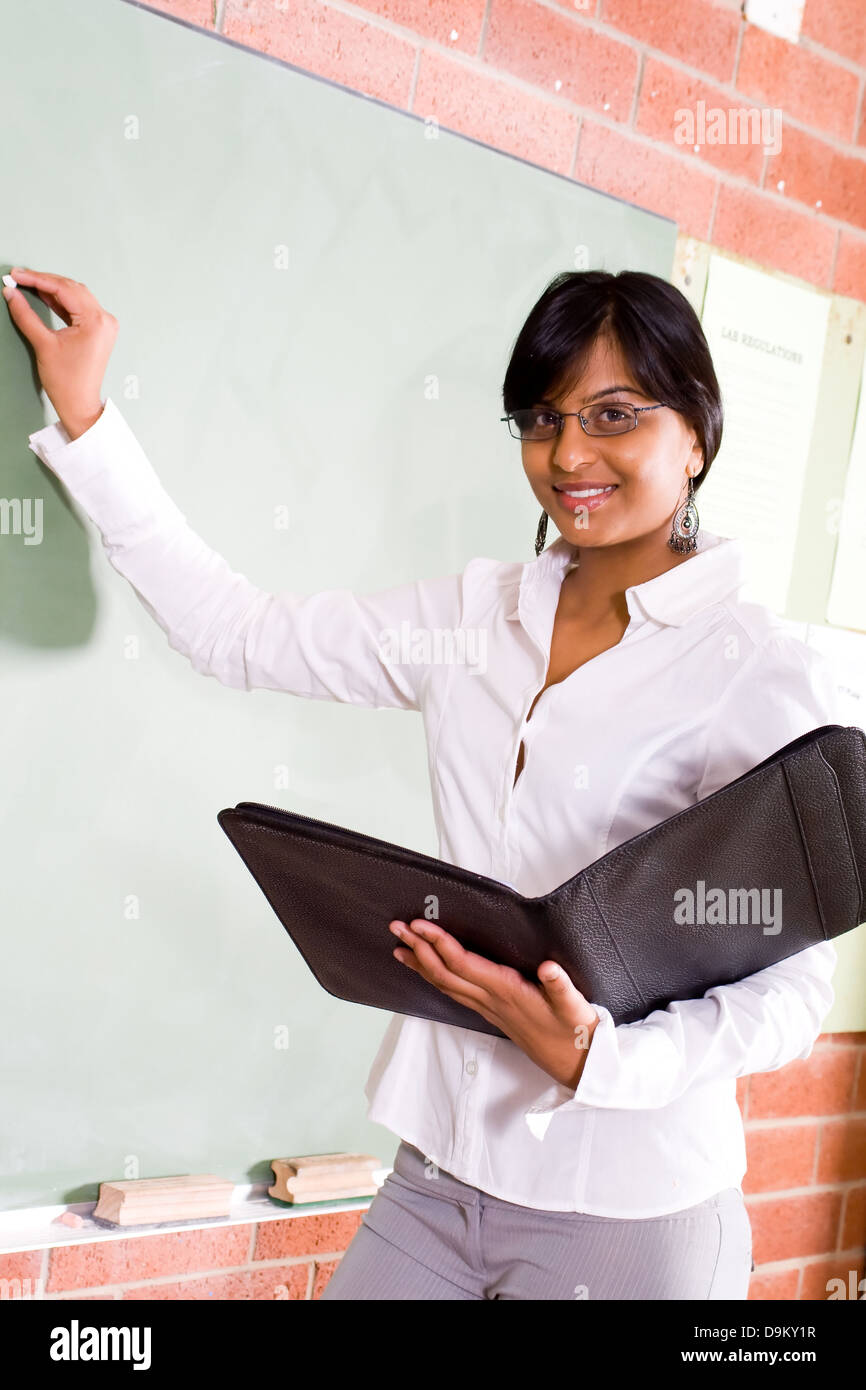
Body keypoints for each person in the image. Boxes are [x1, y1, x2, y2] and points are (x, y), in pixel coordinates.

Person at [4, 267, 839, 1301]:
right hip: (438, 1179)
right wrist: (85, 416)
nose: (568, 455)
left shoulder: (755, 671)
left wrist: (597, 1058)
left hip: (631, 1214)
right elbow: (232, 632)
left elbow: (792, 993)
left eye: (614, 415)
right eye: (542, 419)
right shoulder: (473, 619)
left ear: (696, 436)